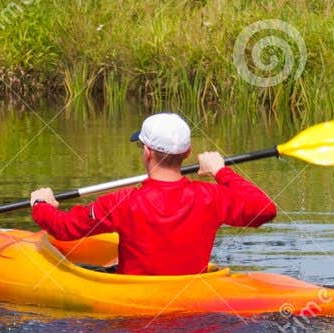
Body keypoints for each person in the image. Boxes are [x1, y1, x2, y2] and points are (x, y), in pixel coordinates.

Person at [29, 113, 277, 276]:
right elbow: (265, 209)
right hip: (190, 299)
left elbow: (64, 228)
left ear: (147, 152)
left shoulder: (123, 202)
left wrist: (41, 205)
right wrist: (221, 172)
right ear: (188, 152)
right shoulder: (211, 197)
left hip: (133, 309)